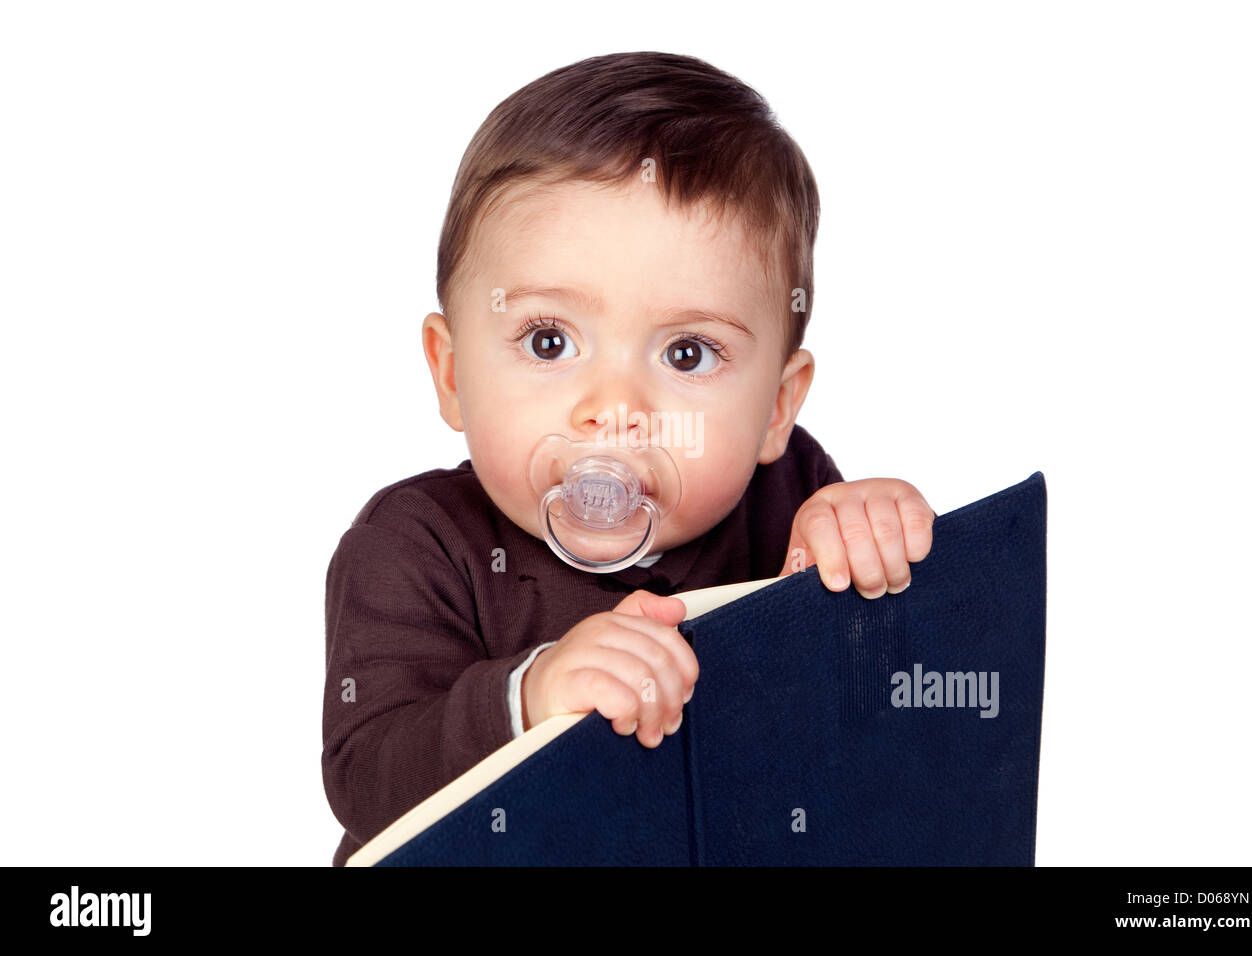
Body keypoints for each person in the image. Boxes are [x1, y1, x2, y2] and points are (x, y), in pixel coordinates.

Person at [322, 51, 936, 867]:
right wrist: (531, 699)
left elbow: (875, 747)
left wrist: (871, 569)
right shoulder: (415, 542)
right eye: (550, 341)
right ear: (452, 372)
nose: (615, 409)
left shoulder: (788, 504)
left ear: (777, 409)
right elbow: (366, 777)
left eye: (687, 354)